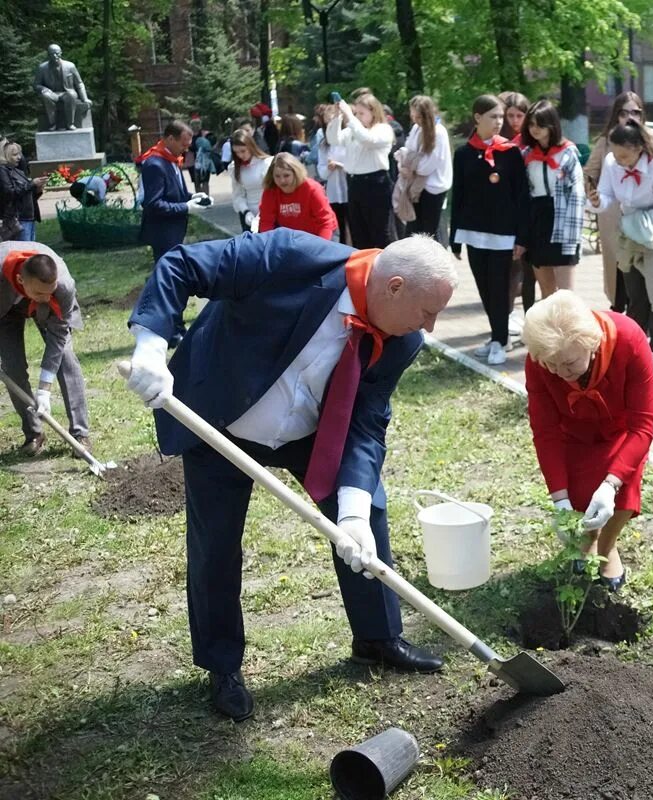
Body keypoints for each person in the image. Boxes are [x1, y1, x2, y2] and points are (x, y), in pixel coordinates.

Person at [124, 230, 458, 721]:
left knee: (369, 513)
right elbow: (181, 265)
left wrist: (354, 515)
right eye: (427, 311)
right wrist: (150, 347)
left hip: (309, 432)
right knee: (215, 543)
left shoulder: (402, 340)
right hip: (225, 419)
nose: (429, 326)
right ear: (394, 286)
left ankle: (377, 637)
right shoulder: (288, 258)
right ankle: (222, 667)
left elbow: (366, 423)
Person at [524, 290, 653, 592]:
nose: (560, 373)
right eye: (551, 365)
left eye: (568, 364)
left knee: (622, 490)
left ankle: (607, 547)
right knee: (578, 493)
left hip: (622, 431)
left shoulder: (628, 340)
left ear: (591, 343)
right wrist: (559, 499)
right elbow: (545, 431)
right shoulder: (541, 356)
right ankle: (585, 544)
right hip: (574, 433)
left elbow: (644, 423)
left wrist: (610, 485)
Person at [586, 120, 653, 375]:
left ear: (639, 147)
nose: (619, 161)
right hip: (629, 231)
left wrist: (651, 231)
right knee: (634, 293)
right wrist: (596, 200)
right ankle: (634, 347)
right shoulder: (611, 163)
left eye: (625, 155)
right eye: (615, 155)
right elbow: (608, 196)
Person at [450, 94, 529, 366]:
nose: (499, 122)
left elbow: (521, 197)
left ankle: (501, 339)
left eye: (501, 117)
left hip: (503, 232)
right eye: (493, 117)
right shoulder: (462, 153)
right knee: (483, 286)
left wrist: (522, 236)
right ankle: (497, 336)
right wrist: (455, 238)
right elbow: (458, 194)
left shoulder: (510, 152)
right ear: (477, 118)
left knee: (499, 287)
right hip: (473, 232)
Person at [1, 241, 90, 455]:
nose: (46, 298)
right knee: (12, 367)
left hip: (46, 310)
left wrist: (44, 389)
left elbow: (58, 337)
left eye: (49, 292)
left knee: (66, 358)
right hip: (4, 306)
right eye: (41, 293)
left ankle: (80, 434)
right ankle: (33, 433)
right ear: (22, 280)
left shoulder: (61, 287)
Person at [585, 92, 645, 313]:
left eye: (635, 112)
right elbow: (590, 172)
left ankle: (641, 316)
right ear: (616, 116)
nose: (630, 117)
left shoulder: (650, 138)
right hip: (612, 214)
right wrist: (595, 196)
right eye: (624, 112)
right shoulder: (606, 140)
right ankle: (618, 307)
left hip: (643, 215)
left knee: (641, 266)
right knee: (617, 265)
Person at [521, 100, 585, 297]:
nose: (535, 129)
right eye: (531, 124)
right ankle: (549, 328)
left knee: (566, 295)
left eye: (540, 124)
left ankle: (568, 328)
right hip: (537, 220)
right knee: (547, 292)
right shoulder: (527, 154)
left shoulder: (568, 152)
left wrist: (572, 234)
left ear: (552, 125)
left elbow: (577, 193)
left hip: (563, 217)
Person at [327, 94, 396, 249]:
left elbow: (367, 140)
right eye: (356, 113)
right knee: (359, 232)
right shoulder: (353, 130)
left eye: (362, 113)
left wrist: (350, 116)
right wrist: (338, 117)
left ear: (374, 112)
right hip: (355, 182)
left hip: (375, 183)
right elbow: (333, 139)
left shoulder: (383, 129)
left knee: (380, 231)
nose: (357, 117)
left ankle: (386, 268)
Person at [137, 119, 208, 261]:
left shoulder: (172, 159)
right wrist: (186, 207)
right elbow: (153, 204)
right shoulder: (155, 164)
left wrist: (193, 197)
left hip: (174, 229)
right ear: (170, 139)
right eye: (183, 144)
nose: (186, 149)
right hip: (163, 231)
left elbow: (173, 192)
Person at [500, 91, 534, 339]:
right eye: (509, 115)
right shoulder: (497, 141)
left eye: (519, 115)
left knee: (528, 270)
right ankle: (508, 315)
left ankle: (531, 320)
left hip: (529, 214)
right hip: (505, 215)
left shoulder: (530, 142)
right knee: (509, 269)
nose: (514, 120)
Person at [402, 95, 452, 240]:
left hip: (433, 187)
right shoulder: (416, 129)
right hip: (417, 186)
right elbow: (408, 150)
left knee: (429, 230)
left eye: (418, 116)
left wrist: (412, 168)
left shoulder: (438, 132)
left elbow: (428, 165)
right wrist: (407, 162)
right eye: (413, 115)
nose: (415, 120)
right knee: (413, 229)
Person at [258, 152, 337, 240]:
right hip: (291, 237)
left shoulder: (312, 189)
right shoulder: (270, 191)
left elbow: (325, 222)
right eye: (277, 176)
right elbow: (266, 222)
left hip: (320, 234)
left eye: (286, 175)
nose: (282, 180)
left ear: (295, 173)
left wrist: (322, 247)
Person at [315, 107, 351, 245]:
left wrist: (340, 165)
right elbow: (321, 170)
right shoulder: (324, 145)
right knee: (338, 226)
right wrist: (329, 168)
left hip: (348, 187)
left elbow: (355, 164)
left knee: (353, 225)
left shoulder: (347, 138)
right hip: (334, 191)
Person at [0, 142, 46, 242]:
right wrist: (31, 184)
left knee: (30, 250)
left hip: (29, 217)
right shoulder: (3, 171)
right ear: (6, 155)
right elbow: (9, 193)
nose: (19, 157)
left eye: (19, 154)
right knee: (22, 252)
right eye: (15, 154)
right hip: (18, 218)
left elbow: (26, 195)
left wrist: (37, 190)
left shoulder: (18, 171)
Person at [228, 129, 272, 233]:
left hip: (268, 213)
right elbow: (238, 195)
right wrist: (246, 211)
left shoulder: (266, 163)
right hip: (249, 216)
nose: (240, 155)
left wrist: (263, 212)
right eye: (236, 152)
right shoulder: (235, 168)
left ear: (251, 146)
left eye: (243, 151)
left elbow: (272, 191)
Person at [192, 129, 214, 196]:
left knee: (197, 182)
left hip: (196, 163)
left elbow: (191, 148)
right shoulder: (207, 139)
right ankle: (206, 197)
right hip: (206, 162)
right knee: (205, 182)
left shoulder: (195, 140)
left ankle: (201, 198)